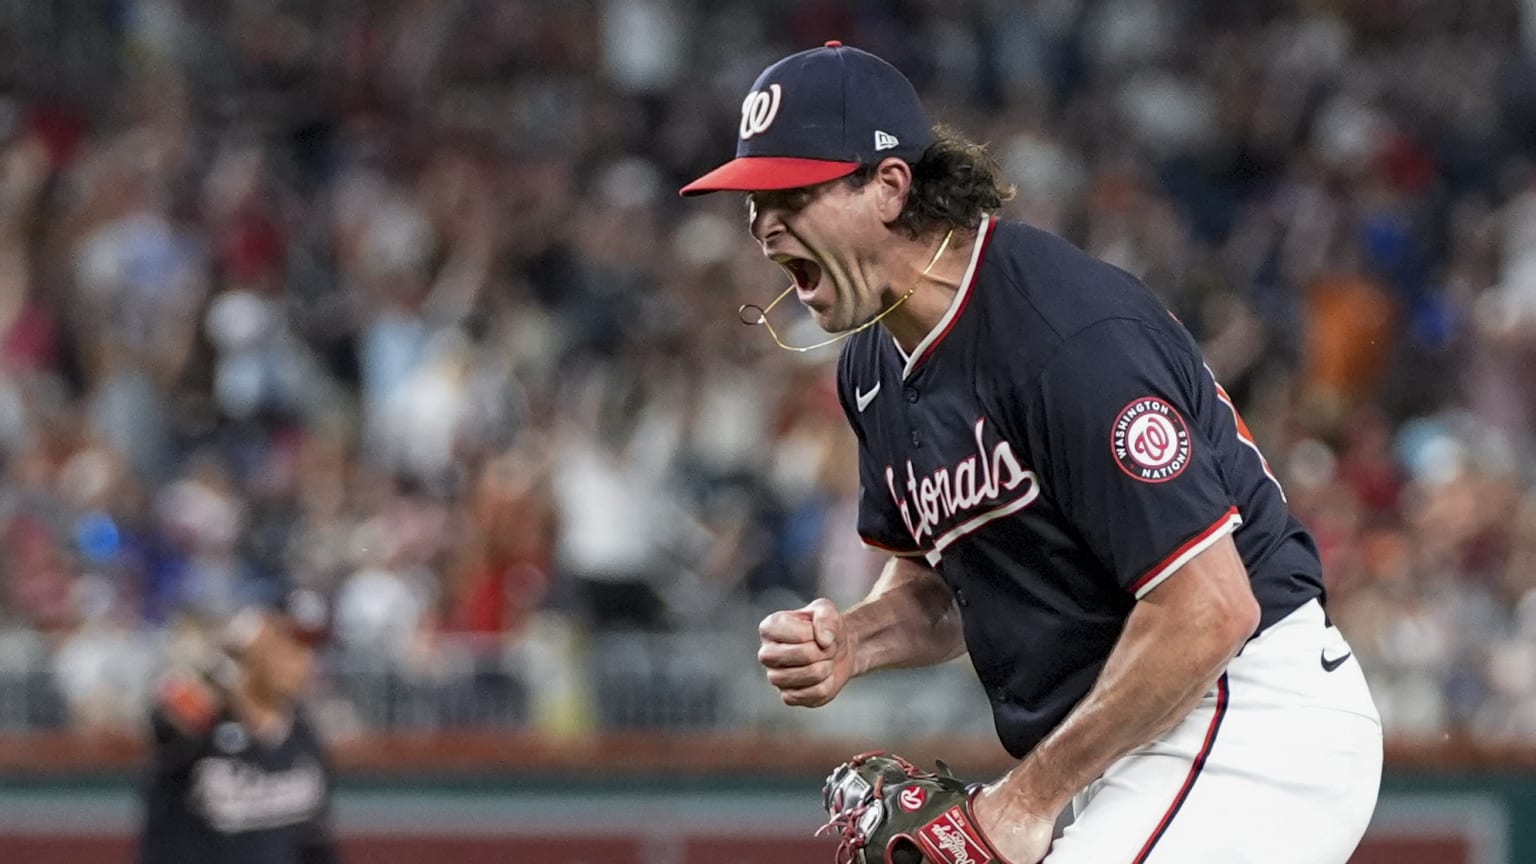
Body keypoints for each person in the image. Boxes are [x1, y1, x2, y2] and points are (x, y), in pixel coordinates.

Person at [681, 41, 1382, 863]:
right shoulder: (872, 366)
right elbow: (947, 587)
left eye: (791, 193)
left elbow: (1211, 609)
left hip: (1245, 712)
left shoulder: (1059, 331)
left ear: (890, 186)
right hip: (1122, 735)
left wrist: (1022, 803)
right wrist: (856, 640)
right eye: (753, 201)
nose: (764, 225)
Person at [139, 590, 339, 864]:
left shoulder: (303, 733)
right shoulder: (204, 720)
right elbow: (164, 717)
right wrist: (223, 661)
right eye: (288, 643)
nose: (303, 659)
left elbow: (316, 842)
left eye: (309, 648)